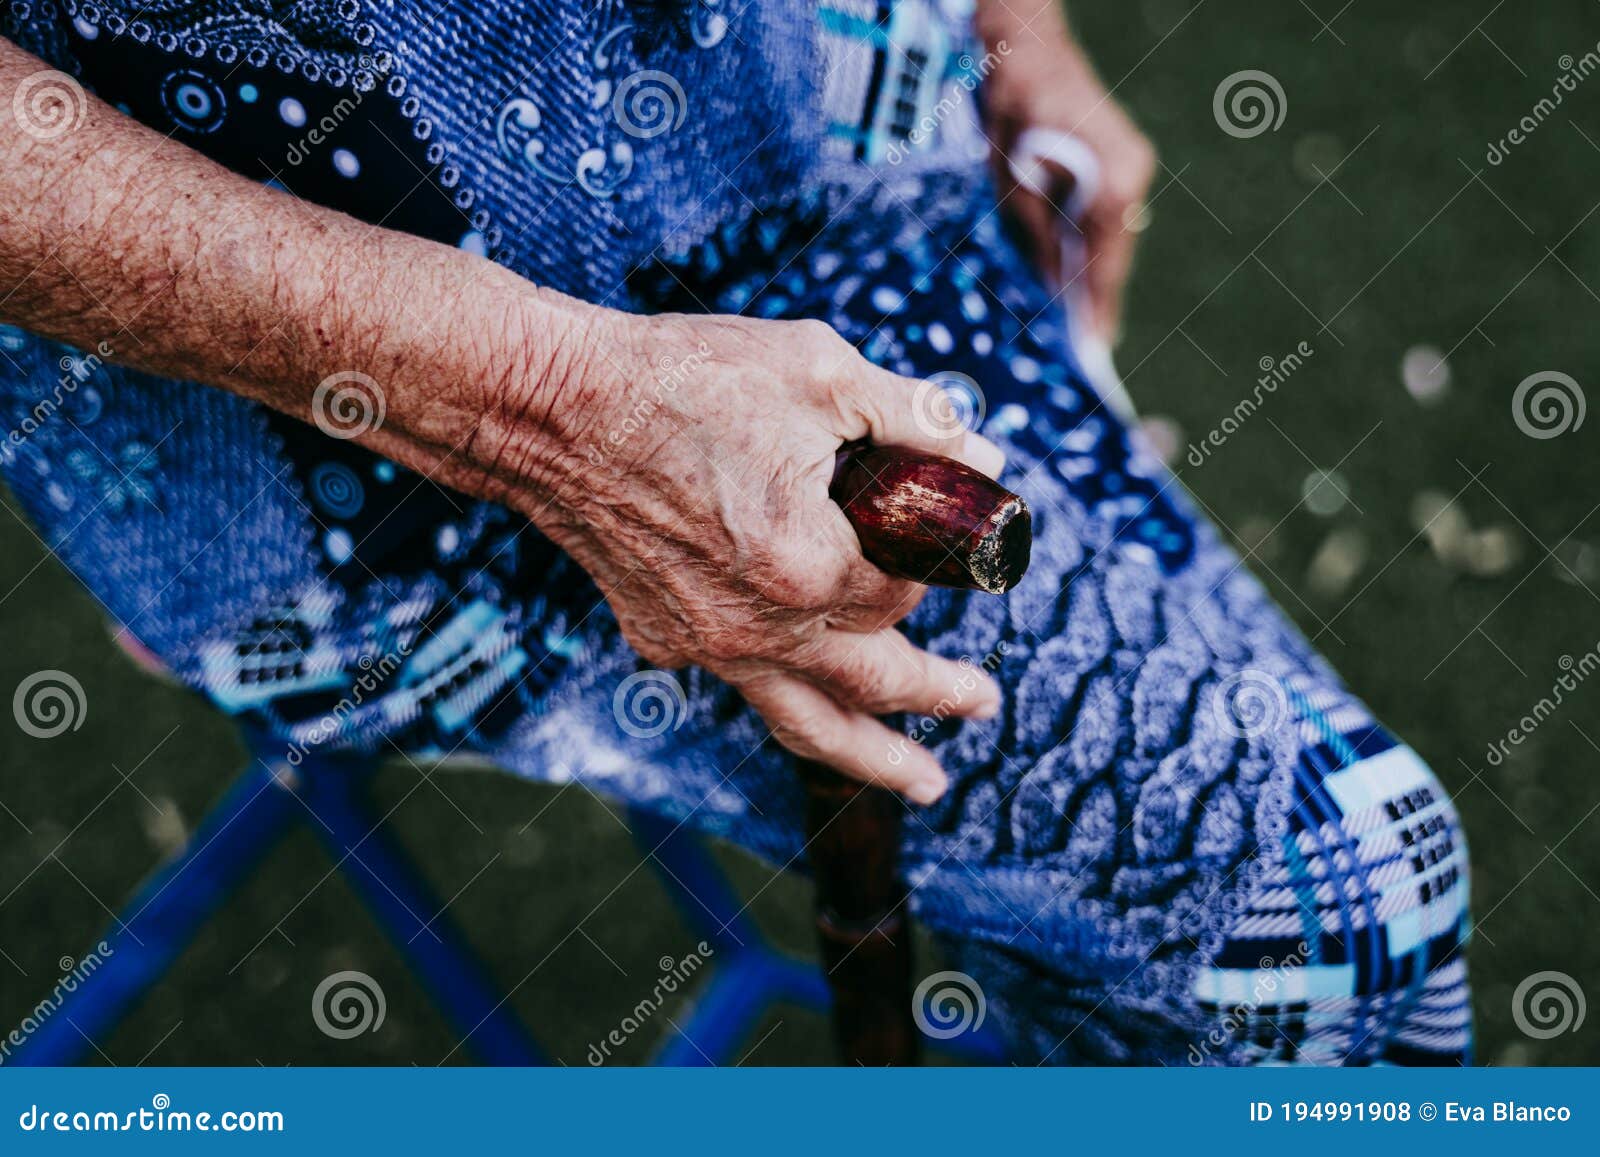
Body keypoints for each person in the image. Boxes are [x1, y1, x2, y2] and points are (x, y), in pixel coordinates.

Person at [0, 0, 1469, 1064]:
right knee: (1340, 913)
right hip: (381, 440)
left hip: (856, 131)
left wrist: (1019, 28)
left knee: (1369, 924)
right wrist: (550, 414)